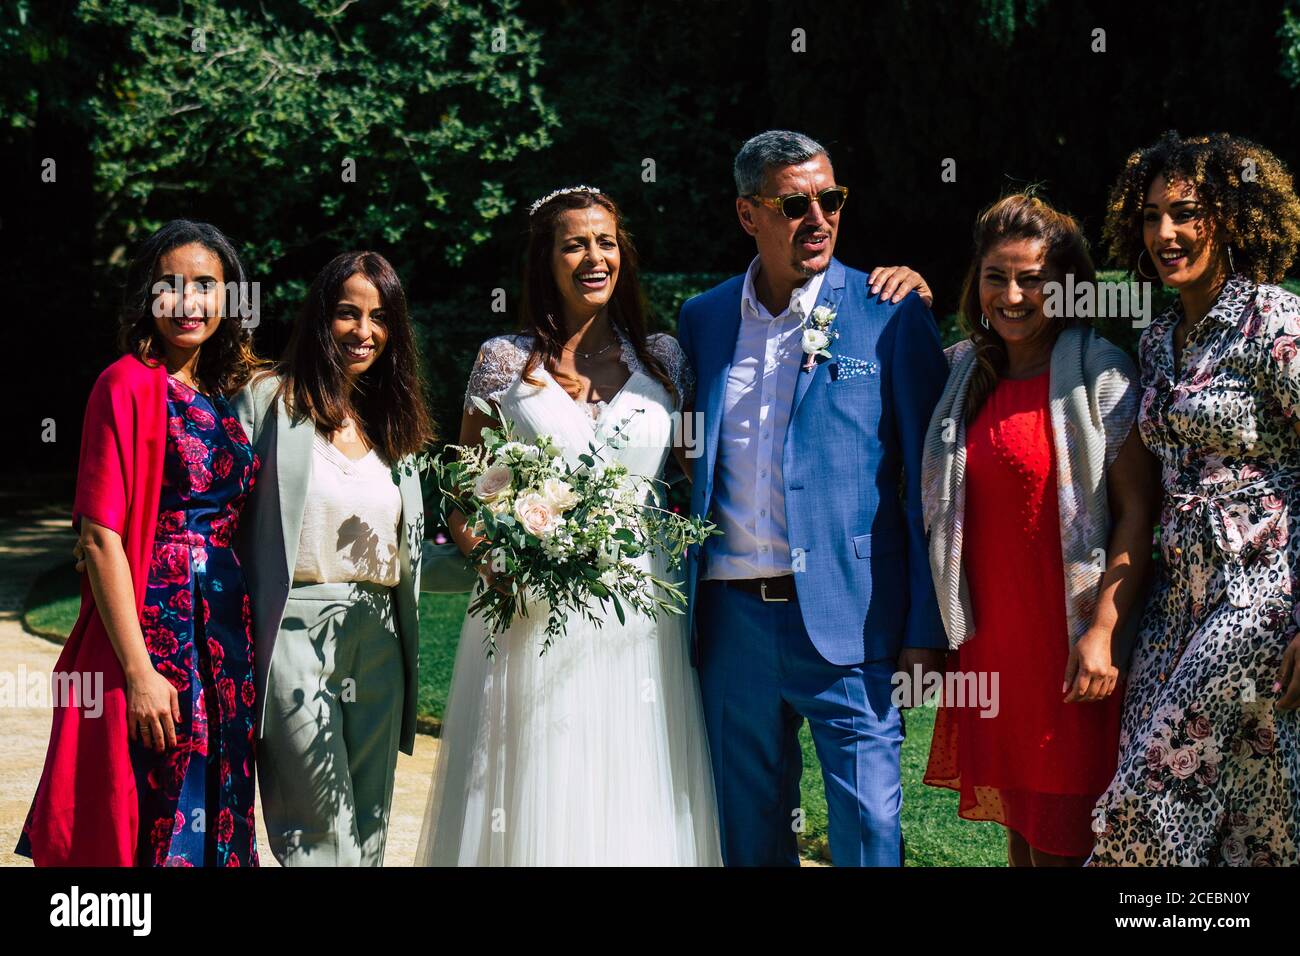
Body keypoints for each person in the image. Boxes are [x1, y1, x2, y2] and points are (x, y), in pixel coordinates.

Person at [415, 185, 723, 865]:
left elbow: (700, 480)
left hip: (639, 613)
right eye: (575, 242)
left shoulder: (665, 361)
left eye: (606, 241)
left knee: (631, 768)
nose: (594, 255)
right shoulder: (503, 360)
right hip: (527, 613)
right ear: (546, 259)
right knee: (532, 776)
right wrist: (491, 556)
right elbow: (460, 493)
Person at [676, 130, 946, 866]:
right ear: (747, 214)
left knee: (868, 830)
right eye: (795, 204)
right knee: (749, 830)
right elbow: (684, 463)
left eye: (831, 198)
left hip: (853, 620)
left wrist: (925, 626)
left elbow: (928, 484)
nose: (819, 217)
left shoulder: (890, 311)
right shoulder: (701, 321)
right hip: (731, 620)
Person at [19, 220, 264, 865]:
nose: (189, 302)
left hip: (225, 632)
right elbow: (100, 537)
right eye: (172, 285)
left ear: (229, 298)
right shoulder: (124, 383)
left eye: (206, 286)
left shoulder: (223, 395)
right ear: (147, 298)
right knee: (156, 798)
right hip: (158, 631)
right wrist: (139, 673)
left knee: (220, 791)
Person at [921, 193, 1156, 865]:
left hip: (1071, 649)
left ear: (1068, 287)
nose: (1013, 294)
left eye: (1033, 278)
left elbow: (1138, 511)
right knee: (1020, 843)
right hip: (994, 650)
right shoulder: (964, 372)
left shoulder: (1101, 374)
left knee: (1066, 845)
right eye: (997, 276)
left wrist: (1103, 633)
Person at [1089, 132, 1300, 866]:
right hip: (1175, 602)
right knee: (1254, 803)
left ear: (1235, 216)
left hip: (1260, 597)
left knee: (1156, 780)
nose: (1165, 233)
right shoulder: (1156, 343)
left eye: (1186, 213)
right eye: (1151, 216)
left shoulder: (1274, 320)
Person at [232, 251, 477, 866]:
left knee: (368, 826)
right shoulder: (266, 401)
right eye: (347, 313)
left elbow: (412, 555)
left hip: (381, 635)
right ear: (321, 317)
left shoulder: (396, 428)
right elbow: (219, 514)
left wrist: (505, 562)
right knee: (316, 827)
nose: (363, 331)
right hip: (294, 628)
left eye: (379, 317)